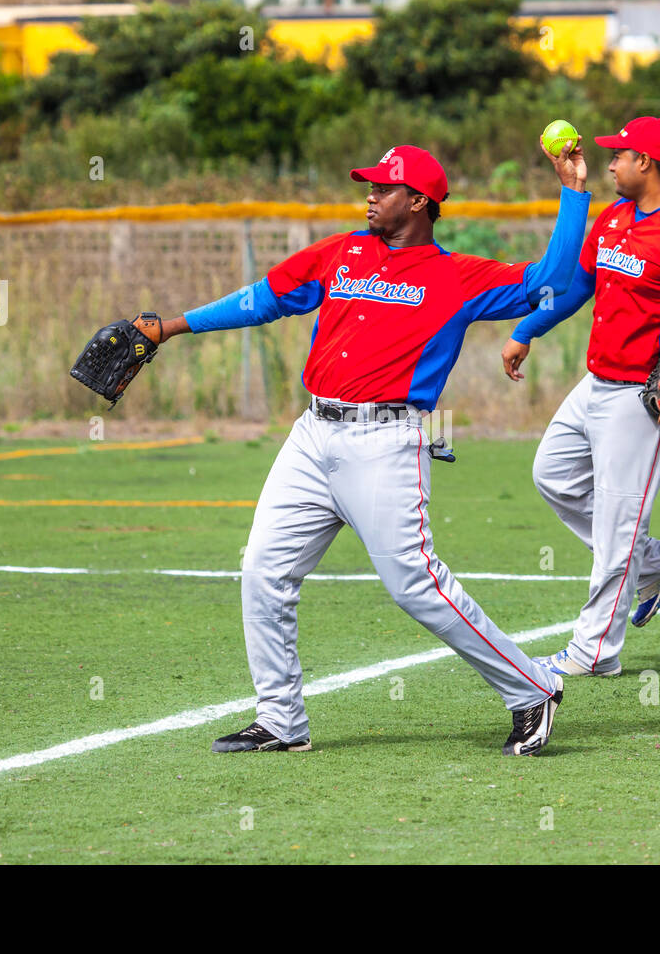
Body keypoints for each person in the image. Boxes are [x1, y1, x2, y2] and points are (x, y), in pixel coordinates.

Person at [148, 142, 590, 754]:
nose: (370, 195)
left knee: (415, 584)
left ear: (418, 202)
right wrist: (172, 327)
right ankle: (281, 720)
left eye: (383, 187)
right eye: (370, 185)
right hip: (312, 434)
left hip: (387, 440)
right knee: (262, 569)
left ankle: (531, 686)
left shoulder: (456, 276)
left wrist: (573, 194)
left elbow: (552, 282)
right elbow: (264, 298)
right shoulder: (343, 252)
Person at [500, 116, 660, 677]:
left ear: (647, 164)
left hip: (643, 399)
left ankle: (593, 653)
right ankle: (654, 564)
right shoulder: (613, 217)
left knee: (616, 527)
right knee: (552, 475)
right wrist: (527, 329)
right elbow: (579, 285)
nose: (609, 163)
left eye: (619, 155)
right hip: (595, 385)